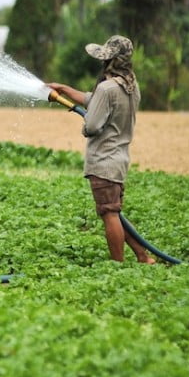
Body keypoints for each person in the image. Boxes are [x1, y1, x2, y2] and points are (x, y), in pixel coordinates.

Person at [46, 35, 155, 264]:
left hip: (103, 160)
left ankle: (118, 266)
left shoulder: (107, 89)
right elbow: (91, 100)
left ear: (110, 60)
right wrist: (63, 89)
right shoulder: (130, 87)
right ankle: (143, 256)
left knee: (109, 214)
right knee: (115, 213)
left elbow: (93, 124)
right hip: (119, 160)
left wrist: (86, 128)